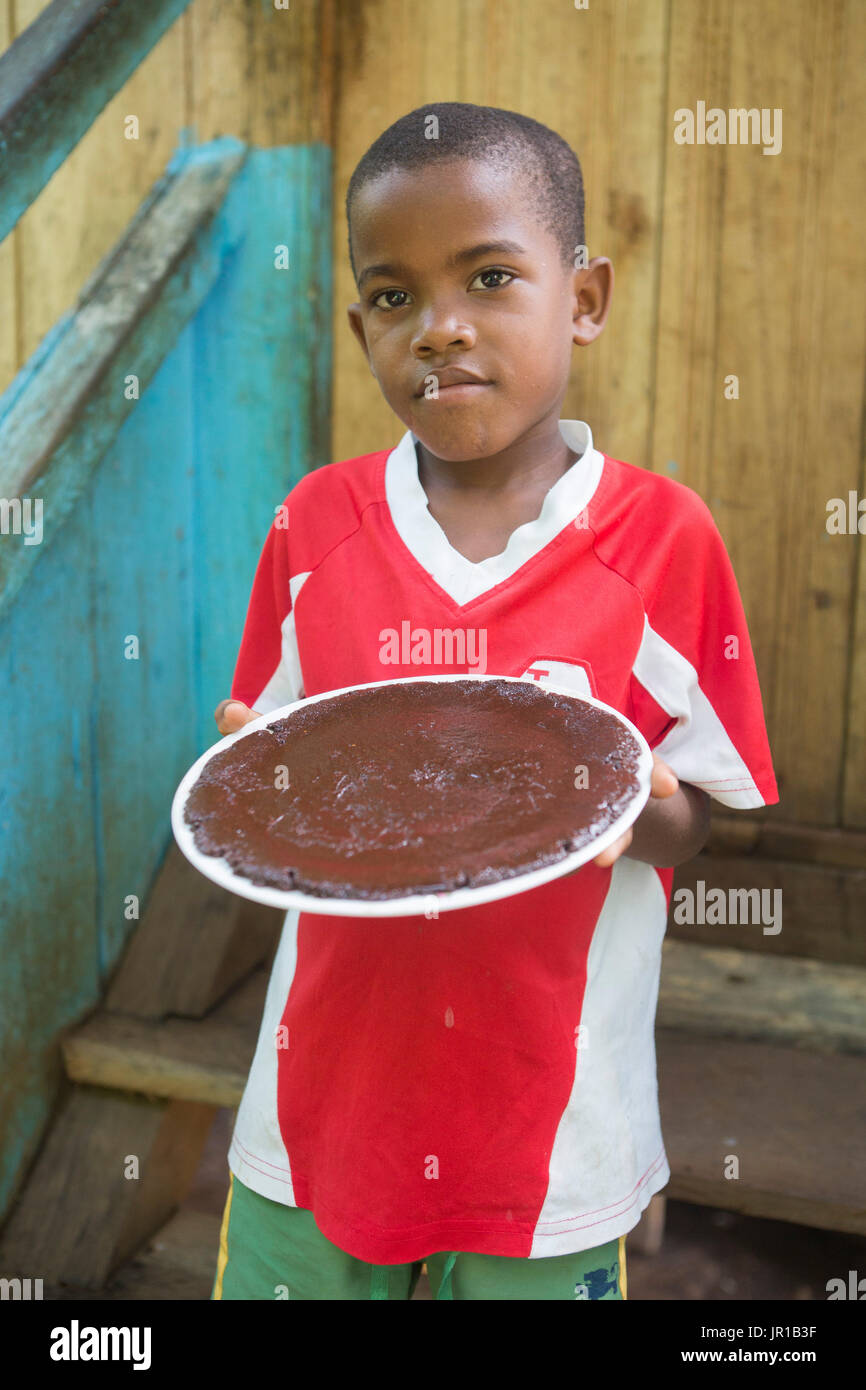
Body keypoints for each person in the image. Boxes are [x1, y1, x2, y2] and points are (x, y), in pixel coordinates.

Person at [209, 102, 778, 1301]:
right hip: (320, 1102)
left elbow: (704, 820)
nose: (440, 328)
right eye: (395, 296)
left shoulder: (662, 540)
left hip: (552, 1122)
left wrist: (645, 809)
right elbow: (276, 766)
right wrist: (262, 770)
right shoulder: (315, 525)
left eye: (488, 277)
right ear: (360, 322)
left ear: (582, 298)